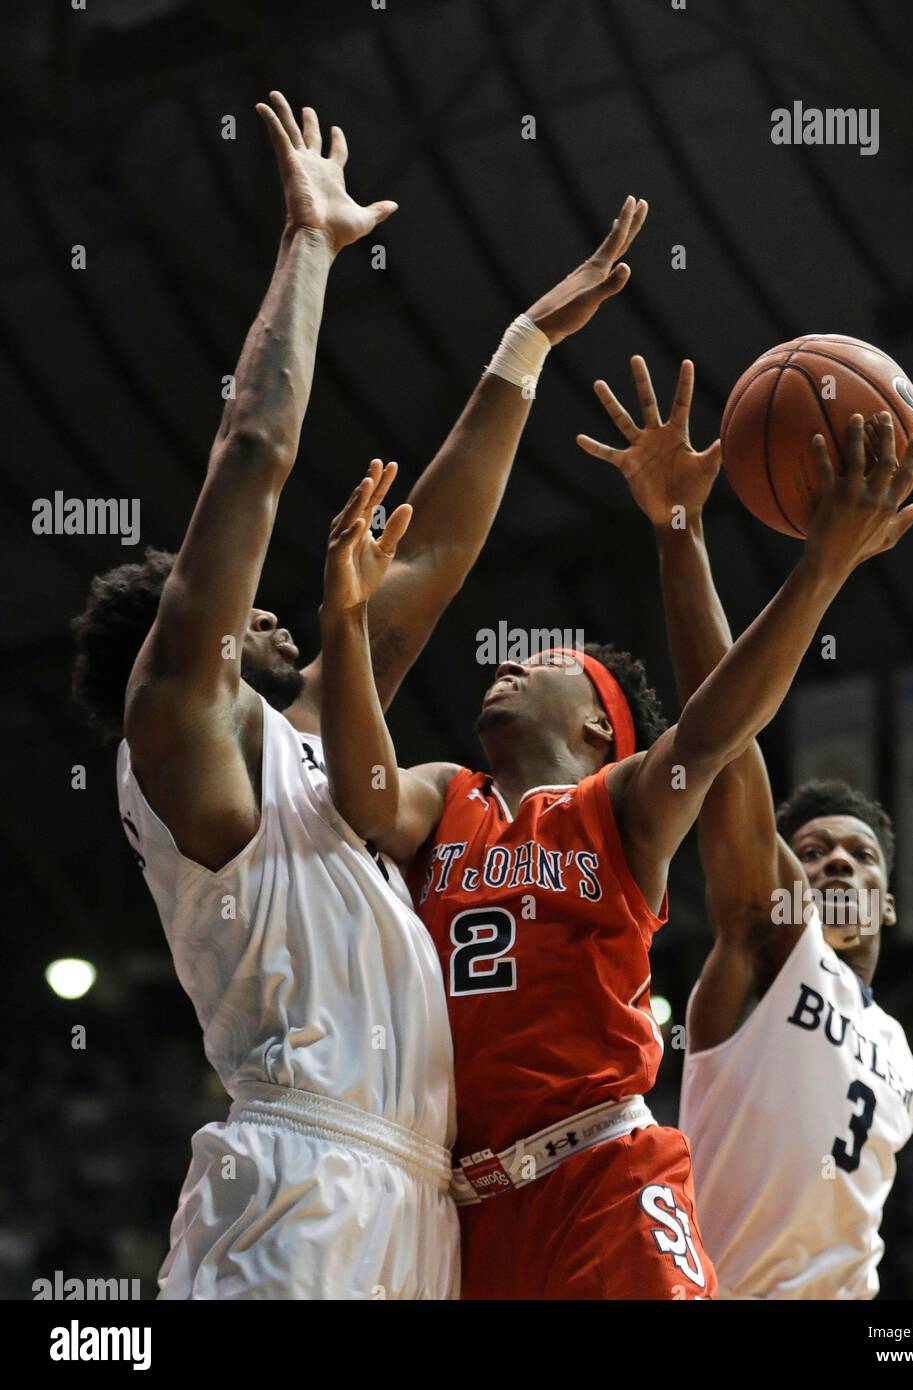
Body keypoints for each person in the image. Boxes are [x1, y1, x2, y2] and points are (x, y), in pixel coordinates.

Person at [70, 86, 648, 1298]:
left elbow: (430, 558)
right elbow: (255, 451)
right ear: (184, 637)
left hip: (418, 1199)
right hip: (299, 1175)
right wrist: (308, 246)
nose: (274, 607)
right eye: (247, 608)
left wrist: (525, 345)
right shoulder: (182, 728)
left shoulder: (305, 748)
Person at [326, 359, 913, 1299]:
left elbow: (716, 731)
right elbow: (361, 795)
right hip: (474, 1198)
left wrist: (810, 564)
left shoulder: (618, 807)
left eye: (545, 661)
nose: (512, 666)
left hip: (608, 1176)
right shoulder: (448, 796)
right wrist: (349, 624)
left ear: (600, 726)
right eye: (814, 851)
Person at [581, 356, 913, 1299]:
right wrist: (681, 530)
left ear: (888, 904)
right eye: (810, 852)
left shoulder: (900, 1055)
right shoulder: (773, 944)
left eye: (857, 856)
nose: (833, 866)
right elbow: (722, 745)